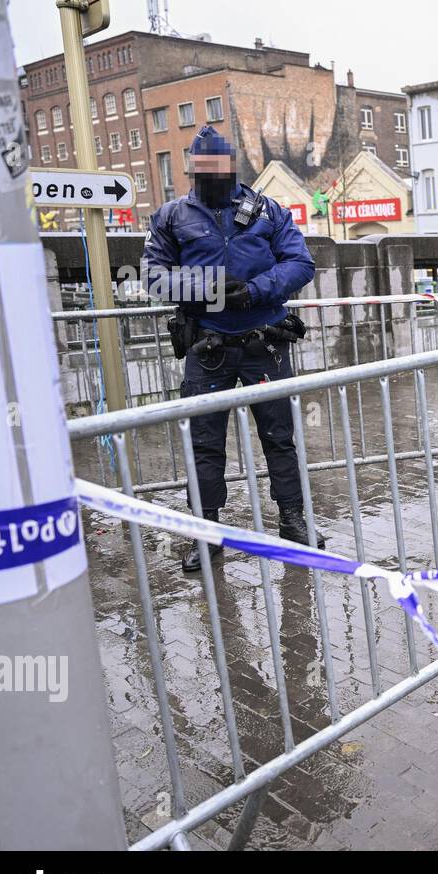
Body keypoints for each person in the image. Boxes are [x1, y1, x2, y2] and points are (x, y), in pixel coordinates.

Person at [144, 125, 319, 572]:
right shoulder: (170, 216)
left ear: (233, 169)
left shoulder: (267, 211)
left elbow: (301, 263)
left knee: (279, 438)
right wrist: (212, 288)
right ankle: (207, 534)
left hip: (265, 342)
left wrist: (257, 291)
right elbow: (152, 276)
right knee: (204, 443)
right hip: (208, 345)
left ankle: (294, 522)